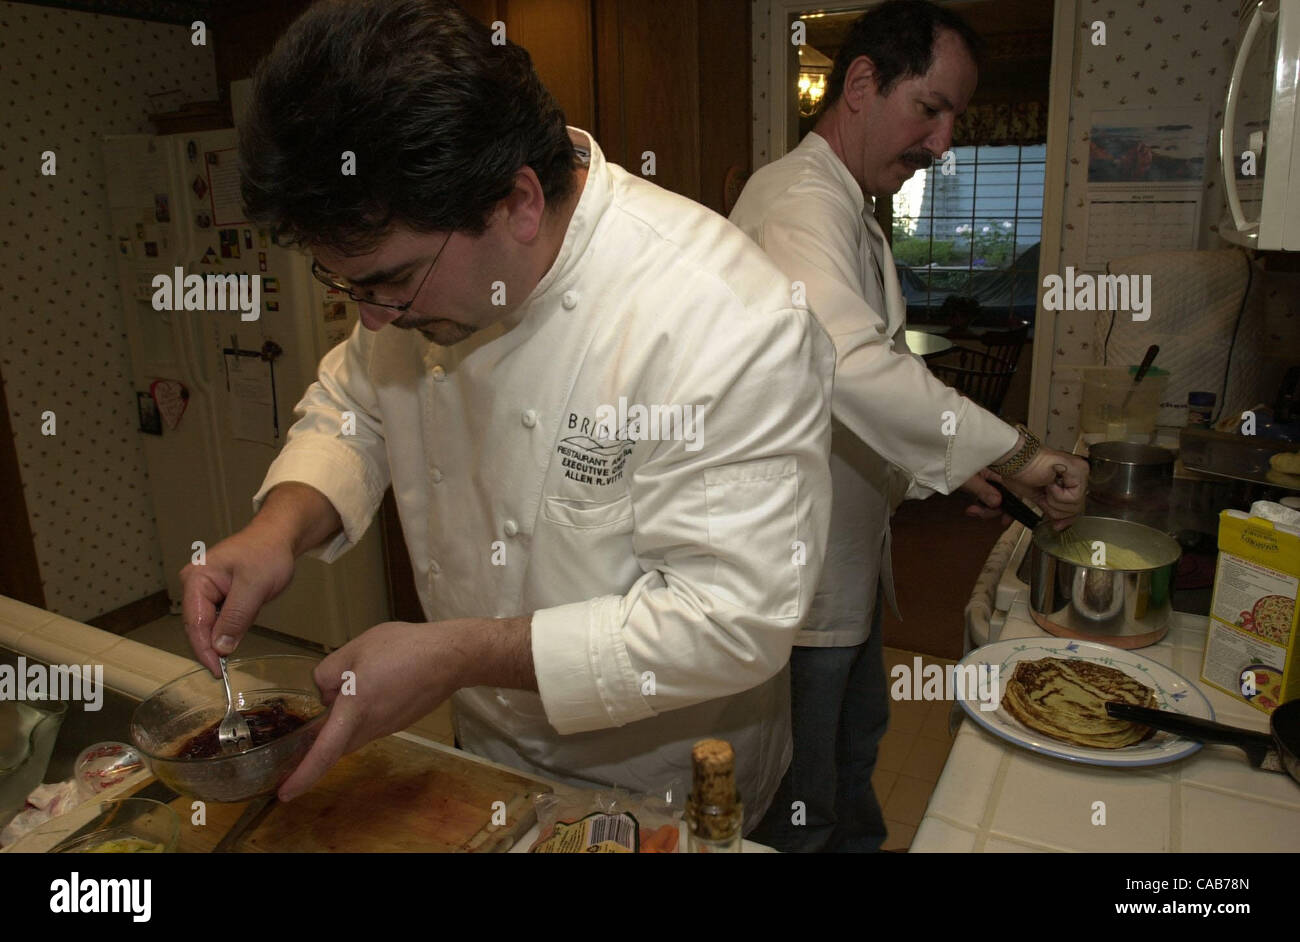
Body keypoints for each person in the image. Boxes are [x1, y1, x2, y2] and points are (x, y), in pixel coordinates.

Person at [180, 0, 836, 825]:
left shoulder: (728, 320)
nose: (371, 319)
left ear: (518, 201)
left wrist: (454, 654)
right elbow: (356, 403)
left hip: (662, 778)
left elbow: (730, 623)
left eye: (391, 282)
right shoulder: (421, 283)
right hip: (486, 752)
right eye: (347, 285)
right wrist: (278, 529)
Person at [729, 0, 1089, 852]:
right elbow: (850, 367)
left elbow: (854, 389)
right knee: (802, 803)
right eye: (930, 108)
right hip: (797, 580)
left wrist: (958, 466)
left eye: (953, 117)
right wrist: (1020, 452)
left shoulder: (851, 205)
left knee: (852, 759)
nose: (944, 142)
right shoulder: (795, 203)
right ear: (861, 84)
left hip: (844, 565)